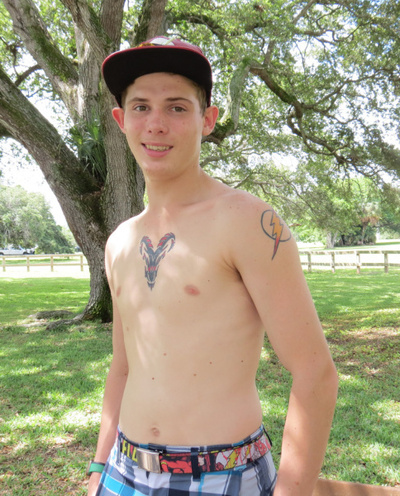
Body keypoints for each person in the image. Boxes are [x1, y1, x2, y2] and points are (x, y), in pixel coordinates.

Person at [87, 36, 338, 496]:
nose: (156, 123)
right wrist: (98, 470)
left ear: (207, 120)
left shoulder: (246, 221)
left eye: (177, 107)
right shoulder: (119, 242)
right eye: (141, 107)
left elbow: (315, 372)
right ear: (121, 120)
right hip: (123, 473)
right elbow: (123, 369)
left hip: (223, 476)